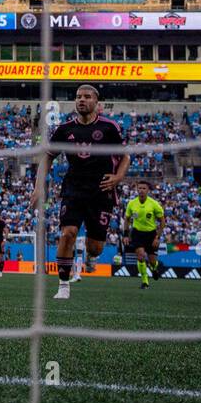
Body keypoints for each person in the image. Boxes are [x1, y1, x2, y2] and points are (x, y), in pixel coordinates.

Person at [33, 84, 130, 300]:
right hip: (73, 189)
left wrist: (117, 177)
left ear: (97, 102)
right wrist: (39, 186)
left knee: (95, 247)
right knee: (68, 233)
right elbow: (47, 157)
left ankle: (90, 256)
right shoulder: (65, 129)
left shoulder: (109, 128)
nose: (81, 100)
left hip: (101, 191)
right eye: (78, 96)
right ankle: (63, 286)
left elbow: (125, 156)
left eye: (86, 96)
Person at [123, 179, 165, 290]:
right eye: (139, 188)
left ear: (148, 190)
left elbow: (162, 221)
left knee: (152, 261)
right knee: (141, 256)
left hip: (151, 234)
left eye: (144, 188)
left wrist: (157, 237)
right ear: (137, 189)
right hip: (137, 233)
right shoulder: (131, 203)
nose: (141, 190)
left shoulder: (154, 204)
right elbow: (126, 219)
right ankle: (145, 282)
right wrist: (126, 235)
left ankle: (154, 269)